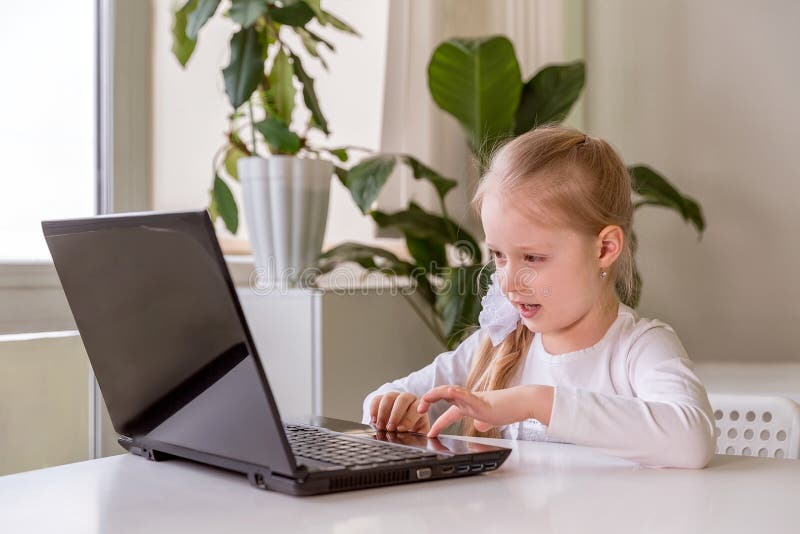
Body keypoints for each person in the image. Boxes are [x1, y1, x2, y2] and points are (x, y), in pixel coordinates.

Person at [361, 126, 716, 469]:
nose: (509, 281)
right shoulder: (498, 343)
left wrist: (533, 402)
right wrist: (394, 408)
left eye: (532, 258)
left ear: (605, 248)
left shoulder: (639, 348)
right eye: (499, 255)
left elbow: (692, 442)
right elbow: (382, 401)